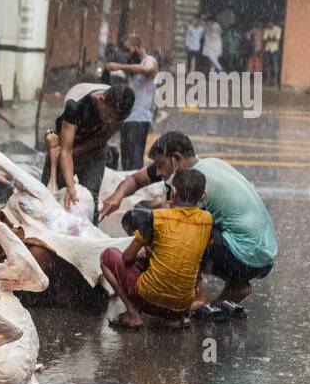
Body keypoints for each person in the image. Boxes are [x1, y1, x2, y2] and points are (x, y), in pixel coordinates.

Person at [98, 131, 277, 315]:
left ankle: (198, 296)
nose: (158, 172)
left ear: (177, 159)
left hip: (246, 256)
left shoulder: (196, 183)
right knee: (149, 217)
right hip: (263, 257)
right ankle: (237, 285)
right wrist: (117, 196)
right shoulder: (207, 165)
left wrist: (146, 251)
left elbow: (179, 233)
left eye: (161, 165)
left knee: (151, 224)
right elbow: (136, 179)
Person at [100, 167, 212, 329]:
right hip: (181, 305)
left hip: (149, 300)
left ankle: (133, 314)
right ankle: (174, 317)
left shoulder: (158, 217)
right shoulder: (207, 220)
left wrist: (145, 252)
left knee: (108, 256)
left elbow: (126, 258)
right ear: (203, 196)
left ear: (172, 192)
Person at [41, 81, 135, 222]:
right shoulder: (76, 106)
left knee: (89, 200)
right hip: (65, 148)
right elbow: (66, 151)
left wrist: (80, 151)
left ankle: (90, 236)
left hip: (95, 151)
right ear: (101, 100)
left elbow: (104, 137)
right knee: (49, 198)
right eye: (109, 115)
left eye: (115, 119)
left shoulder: (119, 109)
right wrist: (70, 186)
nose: (110, 121)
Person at [105, 33, 158, 170]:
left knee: (134, 162)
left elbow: (148, 69)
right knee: (126, 162)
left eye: (129, 50)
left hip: (139, 120)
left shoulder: (149, 60)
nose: (127, 55)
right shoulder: (135, 66)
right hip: (128, 119)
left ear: (138, 47)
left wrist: (120, 66)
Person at [263, 20, 282, 86]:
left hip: (275, 50)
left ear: (272, 23)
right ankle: (268, 79)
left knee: (275, 64)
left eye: (269, 24)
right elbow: (264, 39)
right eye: (267, 24)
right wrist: (272, 39)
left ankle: (275, 79)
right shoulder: (266, 29)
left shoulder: (278, 29)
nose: (268, 25)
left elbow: (277, 39)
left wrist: (269, 39)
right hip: (267, 49)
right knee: (267, 64)